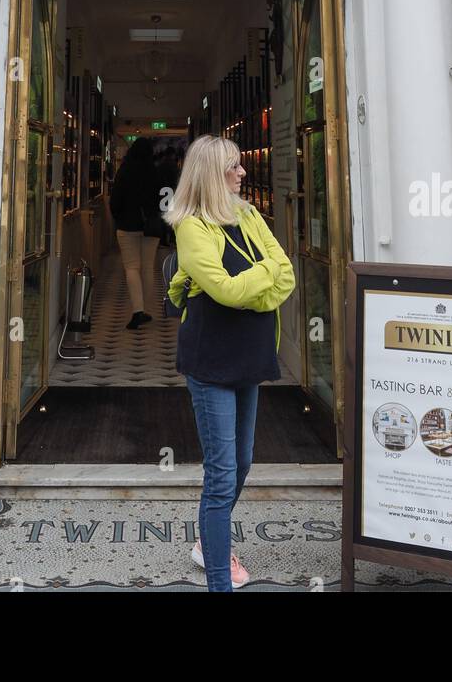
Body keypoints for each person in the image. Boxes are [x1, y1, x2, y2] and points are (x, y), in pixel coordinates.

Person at [166, 135, 296, 591]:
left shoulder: (249, 213)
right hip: (211, 357)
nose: (243, 174)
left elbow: (288, 274)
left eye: (240, 166)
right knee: (221, 474)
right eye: (234, 168)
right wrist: (263, 276)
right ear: (210, 174)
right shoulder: (191, 225)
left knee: (242, 464)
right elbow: (224, 288)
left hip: (251, 354)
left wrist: (255, 281)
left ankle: (207, 543)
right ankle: (219, 579)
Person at [108, 136, 162, 330]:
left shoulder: (125, 170)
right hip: (151, 227)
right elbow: (162, 199)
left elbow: (115, 200)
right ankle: (145, 309)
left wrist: (118, 216)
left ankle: (137, 310)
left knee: (132, 268)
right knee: (148, 267)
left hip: (127, 226)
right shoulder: (154, 172)